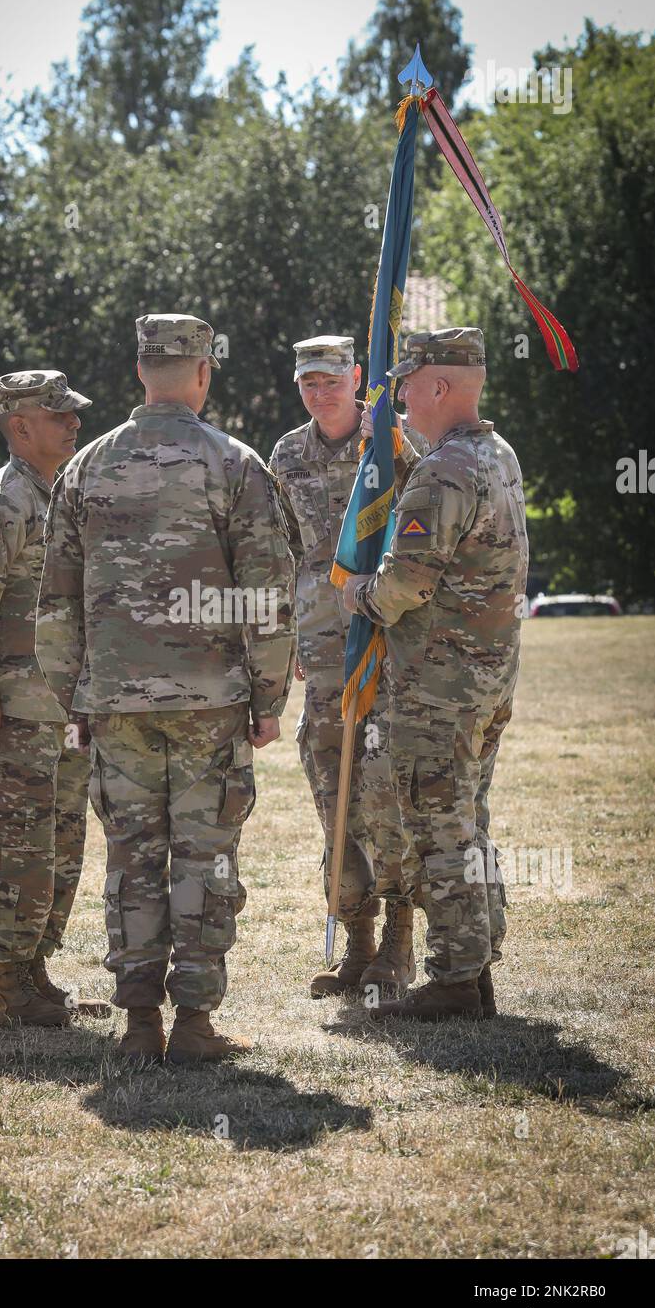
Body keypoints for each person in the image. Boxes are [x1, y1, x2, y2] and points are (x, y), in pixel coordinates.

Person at [36, 314, 296, 1063]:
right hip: (210, 704)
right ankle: (192, 1025)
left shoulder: (85, 468)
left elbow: (54, 603)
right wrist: (268, 698)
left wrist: (73, 699)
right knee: (203, 861)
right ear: (204, 372)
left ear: (140, 371)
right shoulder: (236, 464)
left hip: (115, 705)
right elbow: (266, 597)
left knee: (133, 862)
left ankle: (140, 1024)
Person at [343, 328, 527, 1020]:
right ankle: (474, 966)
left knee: (439, 825)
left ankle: (453, 979)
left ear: (440, 386)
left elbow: (403, 589)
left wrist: (352, 594)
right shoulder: (495, 454)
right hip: (486, 680)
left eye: (407, 383)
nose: (398, 396)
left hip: (440, 687)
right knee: (469, 819)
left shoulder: (444, 472)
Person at [0, 370, 111, 1028]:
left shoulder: (63, 493)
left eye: (73, 414)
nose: (73, 424)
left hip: (65, 714)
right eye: (58, 415)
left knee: (63, 844)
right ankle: (12, 988)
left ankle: (38, 973)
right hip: (11, 712)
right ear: (19, 426)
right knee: (19, 850)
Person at [270, 335, 426, 999]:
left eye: (332, 380)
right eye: (308, 382)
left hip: (390, 642)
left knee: (386, 791)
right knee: (332, 791)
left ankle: (397, 944)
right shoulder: (286, 455)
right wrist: (291, 640)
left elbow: (428, 512)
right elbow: (281, 552)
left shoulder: (390, 439)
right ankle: (355, 945)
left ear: (356, 376)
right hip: (324, 652)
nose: (320, 392)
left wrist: (393, 441)